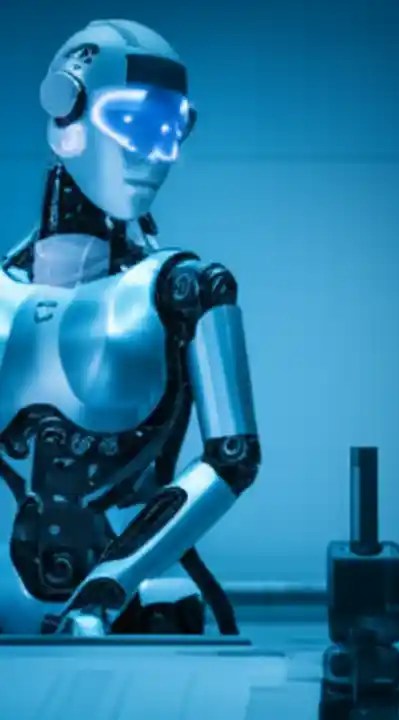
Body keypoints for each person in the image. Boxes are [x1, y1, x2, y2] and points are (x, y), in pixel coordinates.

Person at [0, 19, 257, 637]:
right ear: (67, 121)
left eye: (171, 128)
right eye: (133, 121)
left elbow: (233, 459)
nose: (154, 150)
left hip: (131, 610)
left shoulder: (185, 290)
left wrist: (107, 589)